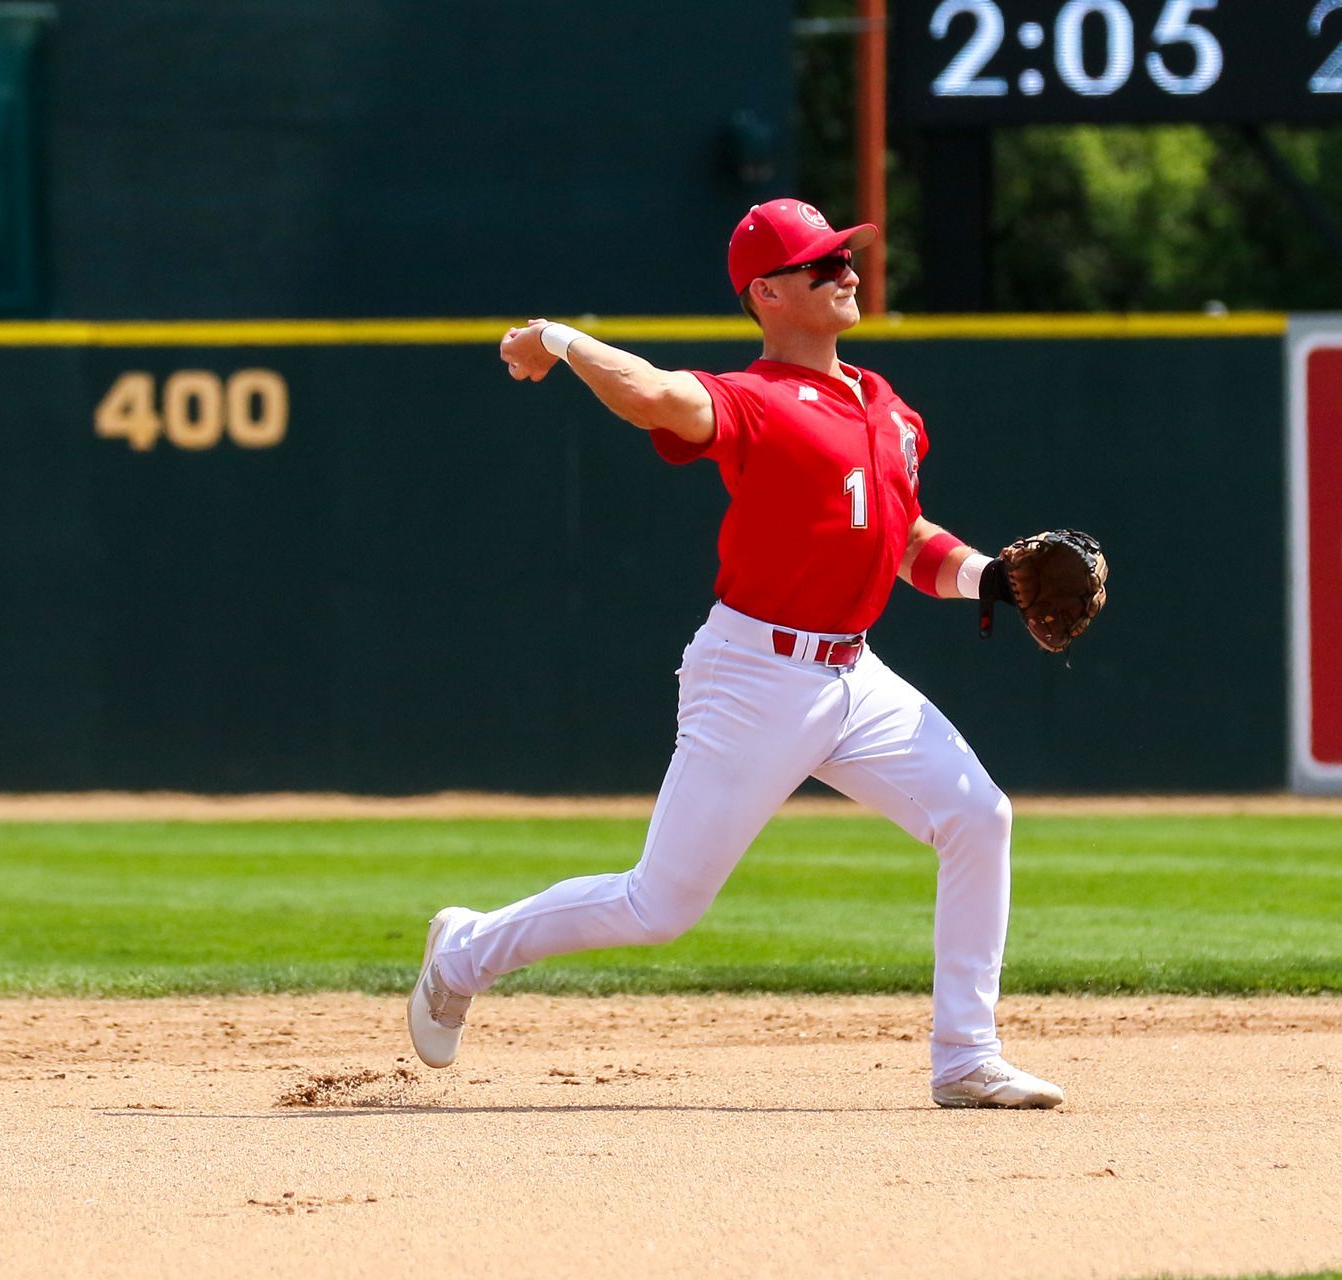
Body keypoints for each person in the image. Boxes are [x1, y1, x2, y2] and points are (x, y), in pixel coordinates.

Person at [408, 198, 1063, 1109]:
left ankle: (964, 1057)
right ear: (765, 294)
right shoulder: (751, 401)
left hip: (853, 674)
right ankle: (465, 950)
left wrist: (987, 577)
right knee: (659, 907)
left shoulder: (888, 408)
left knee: (978, 817)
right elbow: (652, 395)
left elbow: (901, 536)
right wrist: (558, 339)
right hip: (757, 674)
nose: (845, 272)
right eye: (819, 265)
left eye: (845, 257)